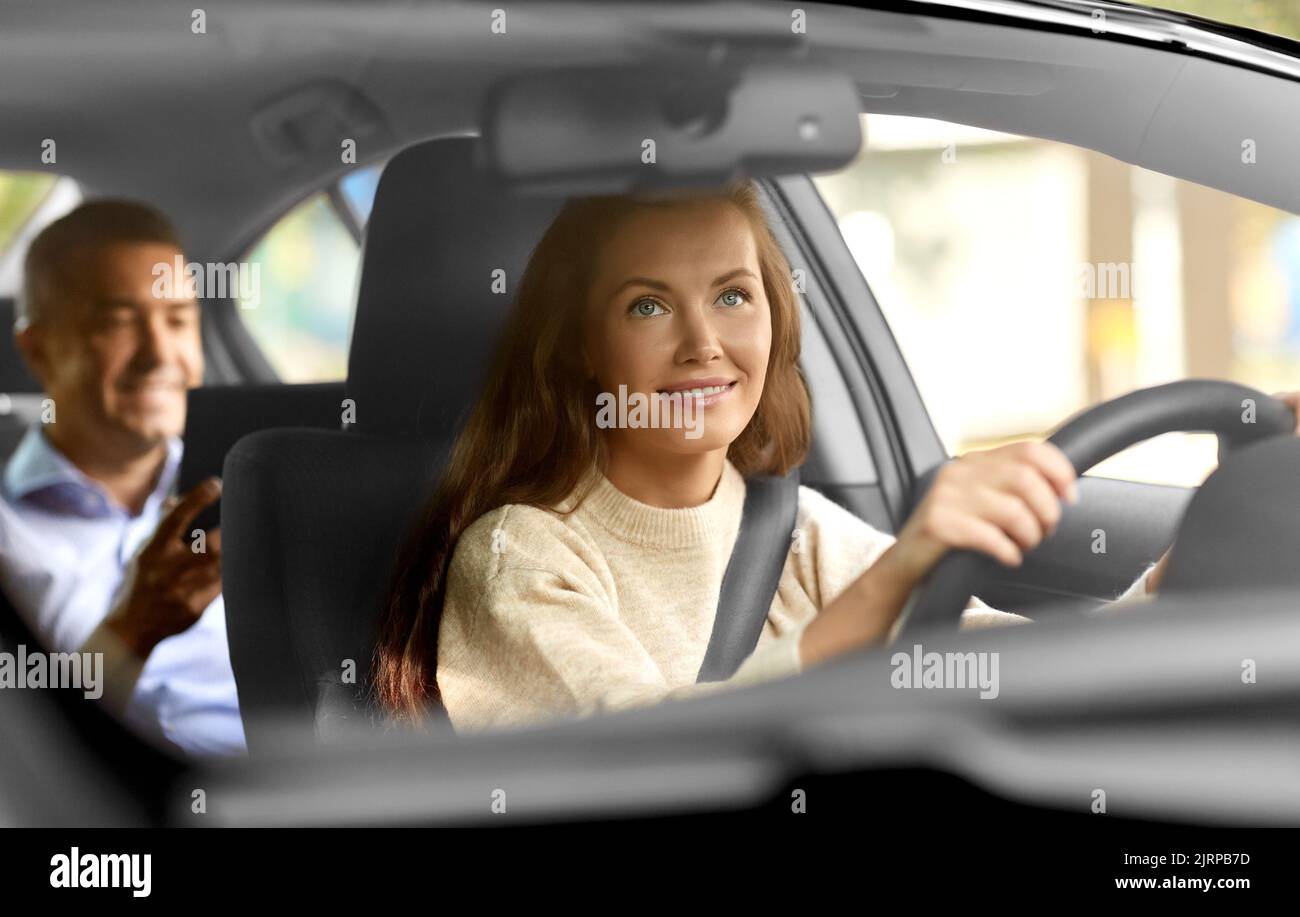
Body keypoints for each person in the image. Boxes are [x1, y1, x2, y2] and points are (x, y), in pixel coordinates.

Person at [373, 180, 1300, 734]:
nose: (703, 342)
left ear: (777, 317)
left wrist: (1235, 506)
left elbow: (1017, 667)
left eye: (733, 295)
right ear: (581, 346)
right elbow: (649, 751)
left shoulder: (798, 529)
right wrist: (900, 570)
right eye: (647, 306)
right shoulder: (520, 557)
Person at [0, 200, 244, 756]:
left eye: (179, 320)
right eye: (115, 324)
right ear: (37, 350)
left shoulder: (256, 491)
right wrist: (131, 630)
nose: (160, 355)